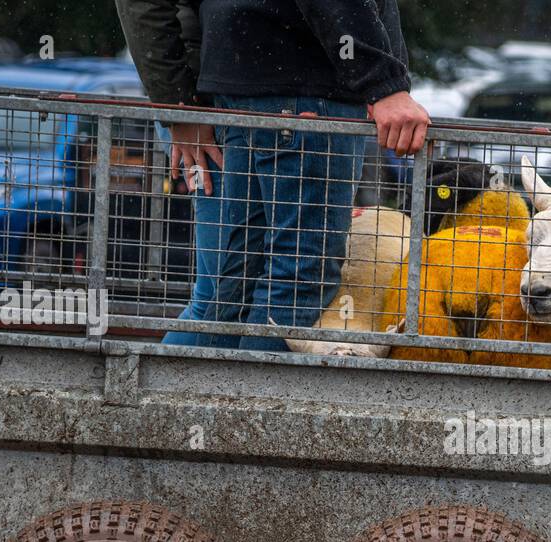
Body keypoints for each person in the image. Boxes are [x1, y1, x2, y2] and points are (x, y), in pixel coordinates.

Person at [116, 0, 430, 349]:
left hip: (240, 84)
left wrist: (178, 101)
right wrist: (384, 83)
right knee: (290, 285)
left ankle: (161, 396)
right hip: (295, 88)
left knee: (226, 295)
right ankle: (242, 402)